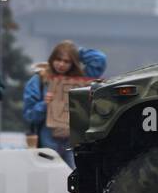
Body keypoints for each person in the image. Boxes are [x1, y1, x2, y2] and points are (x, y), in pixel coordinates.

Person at [22, 40, 107, 168]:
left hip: (74, 142)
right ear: (52, 59)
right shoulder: (39, 80)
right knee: (50, 177)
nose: (61, 64)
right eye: (58, 59)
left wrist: (75, 51)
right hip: (47, 141)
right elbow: (29, 116)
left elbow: (99, 59)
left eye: (66, 61)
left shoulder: (81, 79)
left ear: (73, 63)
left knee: (74, 177)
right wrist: (44, 105)